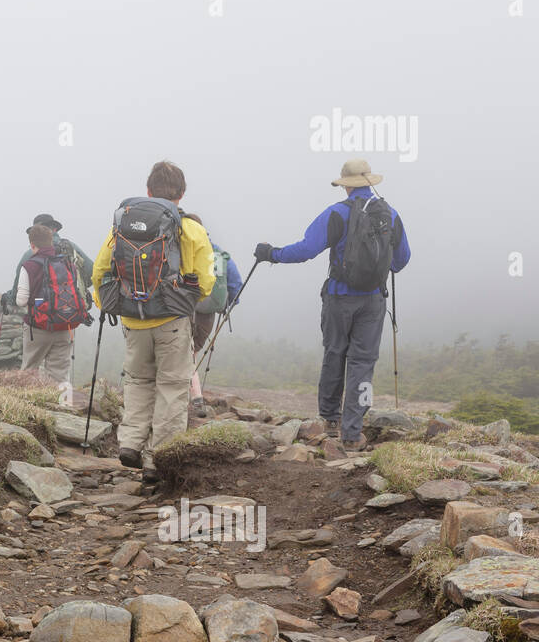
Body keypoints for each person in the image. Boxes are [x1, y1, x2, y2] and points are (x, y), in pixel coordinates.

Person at [254, 158, 410, 450]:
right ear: (370, 182)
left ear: (346, 186)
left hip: (339, 297)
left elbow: (306, 250)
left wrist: (271, 254)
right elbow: (401, 261)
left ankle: (330, 420)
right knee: (363, 365)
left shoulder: (336, 213)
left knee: (335, 354)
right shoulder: (391, 215)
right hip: (374, 301)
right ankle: (353, 434)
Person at [91, 161, 215, 485]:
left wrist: (105, 302)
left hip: (133, 319)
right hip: (172, 319)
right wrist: (186, 299)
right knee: (173, 386)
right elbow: (205, 281)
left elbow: (100, 269)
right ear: (182, 193)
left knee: (137, 380)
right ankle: (158, 459)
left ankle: (130, 442)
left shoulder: (124, 223)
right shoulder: (190, 228)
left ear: (148, 191)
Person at [182, 213, 242, 417]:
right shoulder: (218, 253)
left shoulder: (184, 248)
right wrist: (228, 304)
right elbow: (235, 284)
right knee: (190, 352)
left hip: (184, 308)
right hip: (208, 313)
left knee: (183, 352)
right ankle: (194, 396)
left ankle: (195, 398)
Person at [16, 223, 89, 382]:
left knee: (29, 372)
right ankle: (62, 404)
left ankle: (27, 405)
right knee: (60, 373)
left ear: (32, 245)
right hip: (66, 324)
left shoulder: (29, 266)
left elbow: (21, 301)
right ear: (51, 241)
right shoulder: (68, 263)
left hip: (38, 327)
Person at [2, 213, 94, 311]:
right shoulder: (71, 247)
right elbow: (92, 273)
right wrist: (76, 290)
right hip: (70, 312)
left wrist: (7, 298)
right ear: (54, 229)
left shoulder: (30, 254)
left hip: (41, 315)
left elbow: (18, 294)